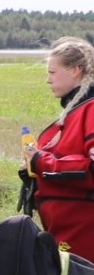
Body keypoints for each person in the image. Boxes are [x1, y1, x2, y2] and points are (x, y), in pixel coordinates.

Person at [22, 36, 94, 261]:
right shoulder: (76, 112)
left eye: (52, 73)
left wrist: (42, 161)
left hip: (83, 236)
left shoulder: (90, 110)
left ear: (75, 70)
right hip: (67, 234)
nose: (47, 80)